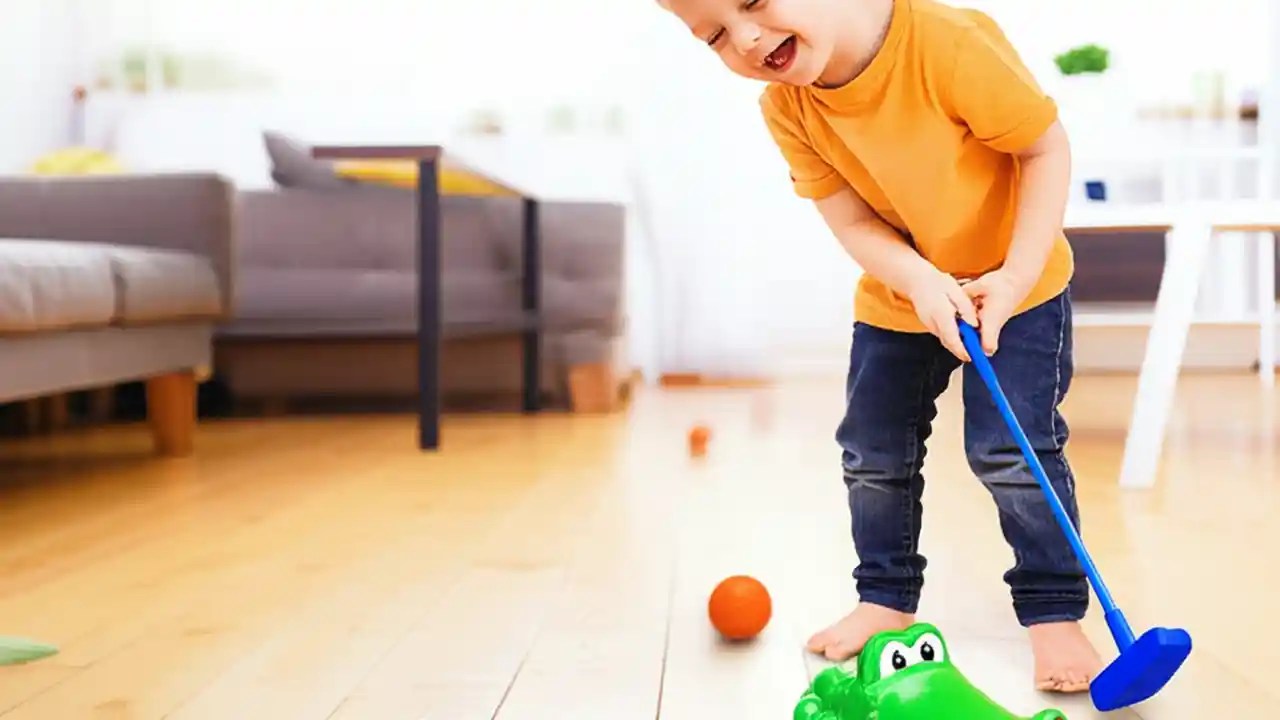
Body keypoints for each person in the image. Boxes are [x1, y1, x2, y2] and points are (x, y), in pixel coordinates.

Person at [657, 0, 1104, 693]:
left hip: (1019, 285)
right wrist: (920, 280)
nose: (743, 37)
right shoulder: (789, 108)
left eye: (751, 2)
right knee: (874, 453)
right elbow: (852, 219)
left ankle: (1054, 612)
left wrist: (1012, 277)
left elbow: (1044, 147)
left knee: (1011, 451)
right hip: (903, 297)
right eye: (713, 34)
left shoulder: (948, 43)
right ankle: (886, 599)